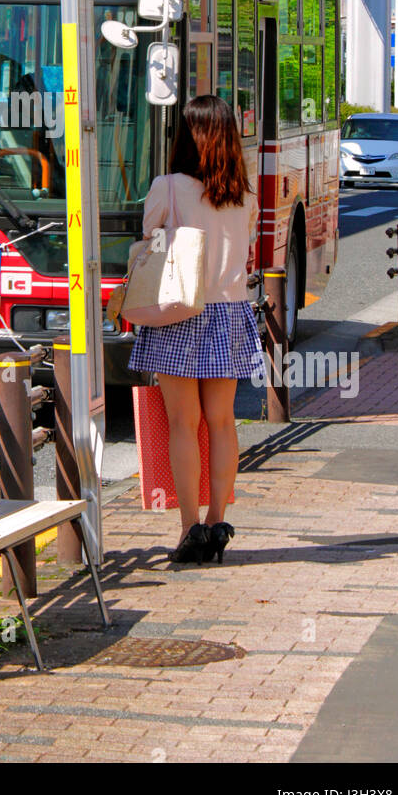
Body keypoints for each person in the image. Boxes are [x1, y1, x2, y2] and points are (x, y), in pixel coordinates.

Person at [128, 94, 265, 566]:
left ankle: (190, 528)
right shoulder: (244, 194)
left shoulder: (167, 187)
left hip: (179, 313)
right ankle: (218, 519)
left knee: (183, 424)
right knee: (223, 422)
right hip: (229, 313)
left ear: (186, 137)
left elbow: (152, 245)